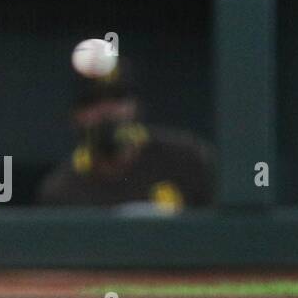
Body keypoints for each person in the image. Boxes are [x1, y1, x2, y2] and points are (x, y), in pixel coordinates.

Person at [38, 65, 214, 210]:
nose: (106, 111)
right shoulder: (63, 188)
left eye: (117, 97)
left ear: (136, 106)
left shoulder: (186, 158)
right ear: (75, 117)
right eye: (91, 101)